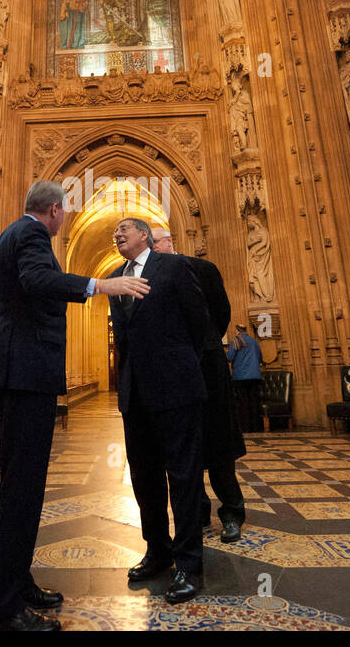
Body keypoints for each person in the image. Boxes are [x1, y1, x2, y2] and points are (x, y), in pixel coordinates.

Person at [0, 181, 149, 631]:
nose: (64, 220)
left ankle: (17, 582)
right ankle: (2, 611)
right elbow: (35, 279)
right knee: (22, 492)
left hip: (13, 369)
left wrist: (21, 306)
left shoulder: (6, 237)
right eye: (65, 213)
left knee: (21, 487)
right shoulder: (33, 235)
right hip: (26, 371)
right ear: (54, 211)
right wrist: (101, 285)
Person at [109, 217, 212, 603]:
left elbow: (200, 325)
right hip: (135, 393)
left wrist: (178, 366)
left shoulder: (173, 267)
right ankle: (157, 550)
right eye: (114, 232)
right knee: (144, 477)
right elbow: (123, 337)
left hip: (177, 389)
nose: (117, 235)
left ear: (144, 236)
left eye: (123, 230)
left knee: (184, 477)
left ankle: (189, 562)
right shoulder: (116, 278)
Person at [151, 227, 246, 543]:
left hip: (207, 365)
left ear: (168, 242)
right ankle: (198, 514)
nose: (152, 248)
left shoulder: (202, 268)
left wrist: (203, 344)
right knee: (184, 448)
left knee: (219, 443)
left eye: (155, 241)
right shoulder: (149, 278)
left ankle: (232, 513)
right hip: (172, 370)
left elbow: (221, 312)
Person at [227, 323, 263, 433]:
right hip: (255, 376)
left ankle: (245, 427)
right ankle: (256, 427)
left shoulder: (236, 341)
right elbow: (260, 357)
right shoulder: (254, 341)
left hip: (241, 376)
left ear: (237, 331)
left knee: (242, 403)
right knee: (254, 402)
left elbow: (229, 357)